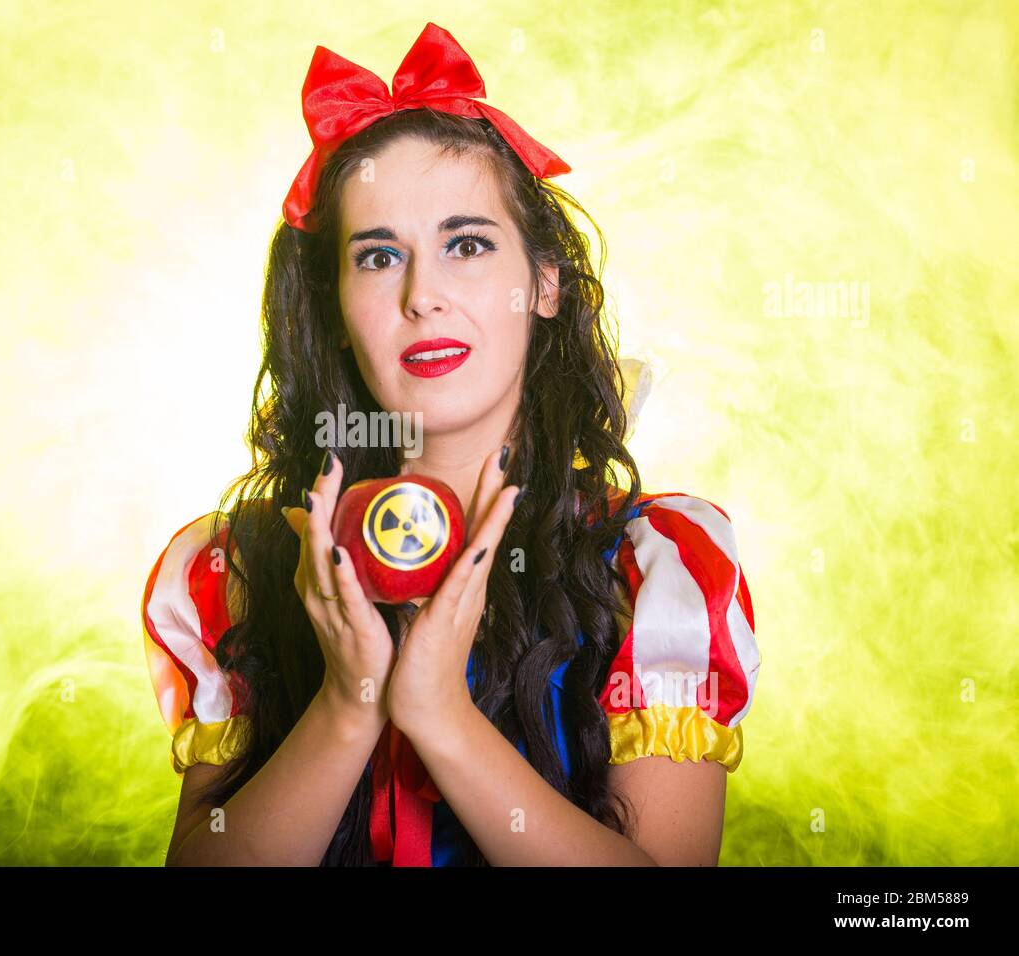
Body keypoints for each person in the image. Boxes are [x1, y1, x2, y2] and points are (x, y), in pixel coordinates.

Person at [140, 22, 760, 866]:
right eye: (377, 255)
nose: (422, 295)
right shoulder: (235, 572)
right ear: (334, 305)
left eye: (466, 245)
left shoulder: (651, 569)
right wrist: (346, 704)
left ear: (544, 283)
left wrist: (441, 717)